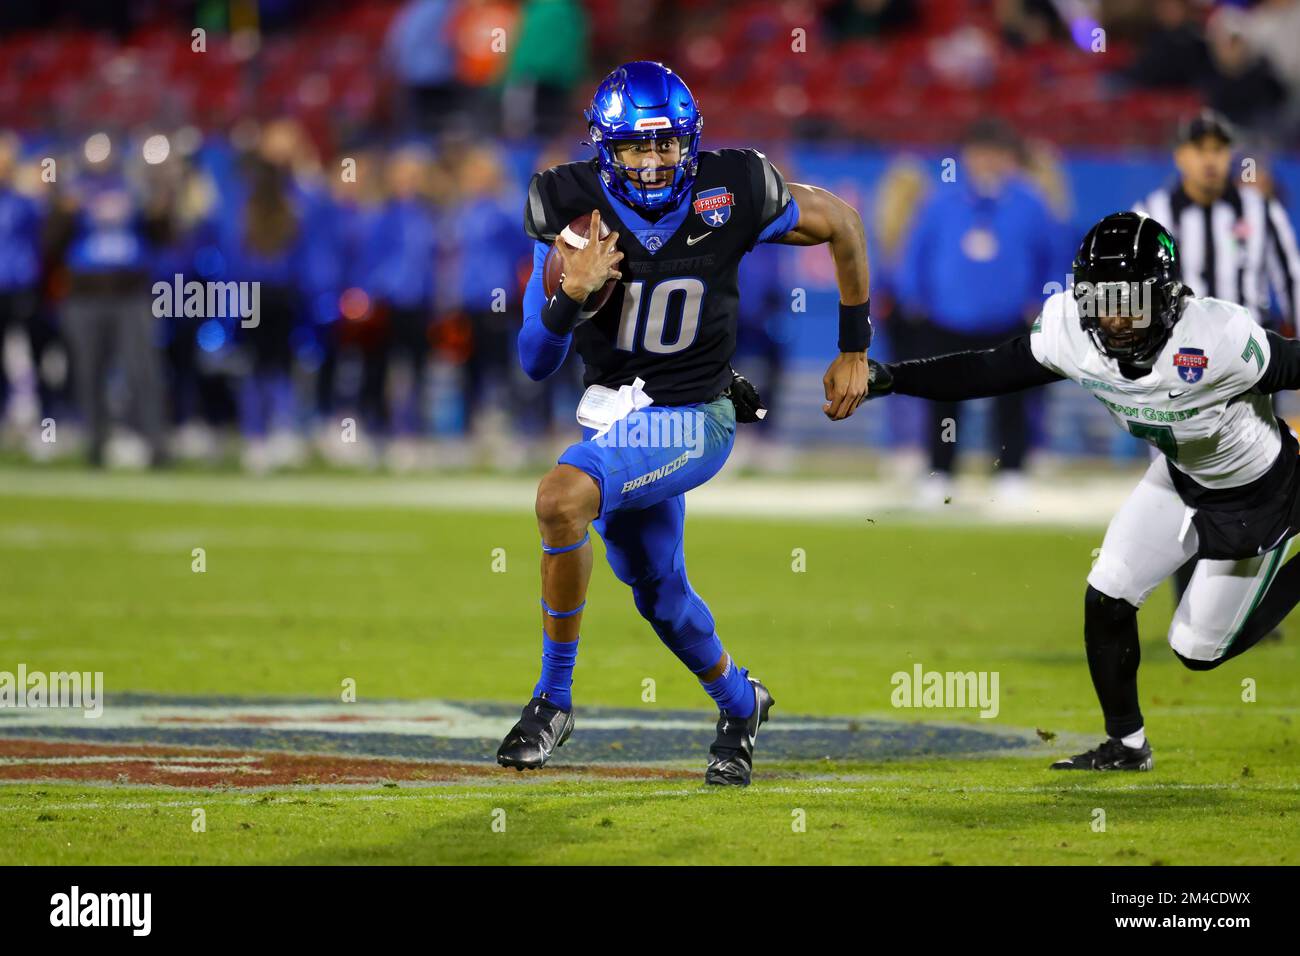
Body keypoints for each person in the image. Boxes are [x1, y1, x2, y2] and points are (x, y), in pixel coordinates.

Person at [496, 62, 872, 786]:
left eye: (668, 144)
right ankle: (740, 705)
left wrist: (854, 346)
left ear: (691, 142)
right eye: (636, 147)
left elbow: (845, 225)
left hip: (696, 416)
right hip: (617, 419)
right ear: (605, 148)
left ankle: (553, 700)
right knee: (658, 592)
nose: (654, 160)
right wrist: (568, 297)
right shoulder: (567, 207)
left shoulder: (732, 189)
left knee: (559, 499)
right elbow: (535, 361)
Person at [866, 212, 1300, 770]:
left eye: (1131, 302)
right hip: (1177, 476)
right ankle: (1127, 745)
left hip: (1258, 494)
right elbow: (986, 370)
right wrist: (893, 377)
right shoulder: (1072, 332)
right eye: (1101, 301)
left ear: (1166, 298)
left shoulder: (1219, 339)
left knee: (1197, 651)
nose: (1115, 319)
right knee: (1107, 594)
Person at [1134, 110, 1300, 607]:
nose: (1210, 160)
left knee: (1254, 483)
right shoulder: (1153, 212)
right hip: (1175, 373)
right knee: (1180, 486)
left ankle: (1237, 604)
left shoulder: (1259, 209)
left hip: (1248, 368)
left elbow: (1291, 280)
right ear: (1180, 155)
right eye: (1199, 149)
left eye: (1218, 150)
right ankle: (1190, 601)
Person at [894, 118, 1057, 506]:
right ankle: (941, 472)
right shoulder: (940, 201)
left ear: (1009, 158)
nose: (987, 162)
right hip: (948, 318)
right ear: (966, 157)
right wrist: (914, 297)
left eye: (995, 154)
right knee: (944, 401)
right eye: (980, 154)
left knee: (1012, 401)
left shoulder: (1030, 202)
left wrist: (1045, 298)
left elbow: (1053, 257)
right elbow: (914, 252)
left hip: (1009, 319)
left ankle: (1012, 472)